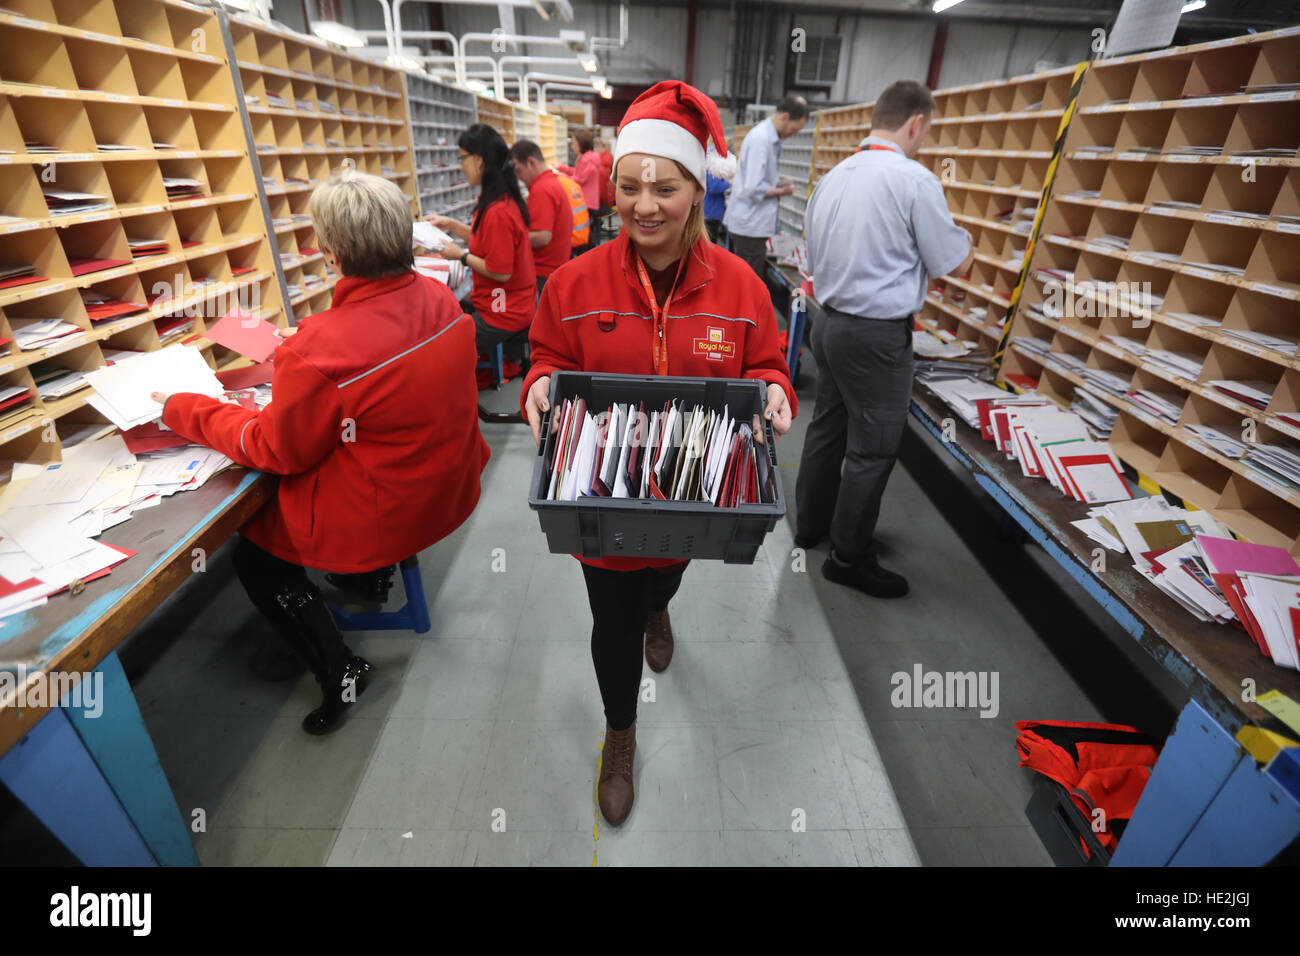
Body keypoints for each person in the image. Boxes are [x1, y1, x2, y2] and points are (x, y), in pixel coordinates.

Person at [521, 81, 796, 826]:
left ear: (699, 192)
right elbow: (547, 357)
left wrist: (775, 392)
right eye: (630, 187)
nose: (644, 206)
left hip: (693, 497)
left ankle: (660, 608)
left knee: (664, 576)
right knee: (611, 617)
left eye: (665, 189)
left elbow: (767, 365)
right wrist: (539, 384)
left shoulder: (740, 286)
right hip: (602, 499)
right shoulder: (574, 283)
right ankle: (620, 731)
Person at [151, 168, 490, 734]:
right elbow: (379, 348)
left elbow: (274, 449)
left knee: (256, 559)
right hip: (446, 487)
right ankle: (369, 581)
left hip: (387, 512)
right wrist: (307, 343)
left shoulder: (318, 350)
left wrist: (182, 408)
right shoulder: (438, 297)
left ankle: (340, 670)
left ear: (332, 255)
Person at [796, 79, 974, 599]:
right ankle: (848, 557)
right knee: (872, 450)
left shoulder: (833, 177)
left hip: (828, 322)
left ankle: (811, 527)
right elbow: (950, 263)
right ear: (915, 123)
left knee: (828, 427)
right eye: (926, 130)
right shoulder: (913, 180)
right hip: (875, 336)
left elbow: (815, 259)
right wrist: (968, 245)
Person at [425, 124, 536, 358]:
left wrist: (461, 256)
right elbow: (488, 242)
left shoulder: (497, 212)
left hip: (503, 310)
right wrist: (451, 224)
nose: (461, 166)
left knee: (443, 348)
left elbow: (501, 273)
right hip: (503, 302)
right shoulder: (499, 200)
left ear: (478, 160)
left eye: (462, 158)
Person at [723, 96, 809, 280]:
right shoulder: (762, 139)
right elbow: (753, 188)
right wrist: (784, 191)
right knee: (748, 283)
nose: (794, 134)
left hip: (751, 225)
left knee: (745, 280)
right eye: (794, 129)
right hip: (750, 225)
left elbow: (758, 179)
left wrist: (779, 183)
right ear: (785, 117)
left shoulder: (768, 138)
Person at [507, 138, 573, 294]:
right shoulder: (552, 182)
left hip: (542, 273)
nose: (518, 177)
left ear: (531, 162)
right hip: (555, 268)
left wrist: (509, 238)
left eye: (518, 170)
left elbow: (542, 237)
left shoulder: (541, 190)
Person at [556, 127, 603, 251]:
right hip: (590, 201)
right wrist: (562, 168)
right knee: (586, 233)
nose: (572, 147)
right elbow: (578, 172)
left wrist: (559, 176)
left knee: (583, 235)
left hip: (586, 202)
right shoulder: (587, 157)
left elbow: (579, 179)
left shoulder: (586, 159)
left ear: (581, 143)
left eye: (574, 144)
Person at [703, 140, 736, 244]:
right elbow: (714, 186)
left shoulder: (710, 156)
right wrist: (730, 183)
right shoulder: (714, 160)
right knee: (710, 243)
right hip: (711, 211)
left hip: (710, 209)